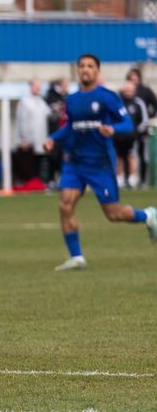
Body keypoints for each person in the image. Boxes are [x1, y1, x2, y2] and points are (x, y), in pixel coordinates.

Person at [42, 54, 157, 272]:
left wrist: (113, 129)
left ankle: (148, 215)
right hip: (75, 163)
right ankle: (77, 257)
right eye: (82, 66)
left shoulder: (107, 97)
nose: (85, 69)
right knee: (65, 205)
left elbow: (127, 124)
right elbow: (71, 127)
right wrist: (53, 139)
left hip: (100, 164)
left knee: (113, 214)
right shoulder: (72, 100)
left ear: (97, 71)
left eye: (90, 66)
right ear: (78, 70)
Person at [14, 79, 52, 184]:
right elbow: (22, 120)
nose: (38, 88)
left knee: (40, 162)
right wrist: (24, 138)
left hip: (41, 138)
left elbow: (48, 114)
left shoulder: (41, 101)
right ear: (31, 87)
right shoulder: (25, 101)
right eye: (36, 86)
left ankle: (39, 183)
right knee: (29, 164)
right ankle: (29, 184)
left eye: (39, 86)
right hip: (29, 140)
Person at [114, 80, 149, 189]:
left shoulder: (138, 103)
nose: (128, 92)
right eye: (126, 90)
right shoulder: (118, 103)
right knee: (119, 157)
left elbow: (144, 120)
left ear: (134, 91)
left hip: (132, 137)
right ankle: (119, 180)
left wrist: (136, 132)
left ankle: (131, 180)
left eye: (130, 90)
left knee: (131, 156)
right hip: (118, 136)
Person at [127, 68, 156, 185]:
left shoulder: (145, 92)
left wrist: (149, 116)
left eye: (135, 77)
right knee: (128, 154)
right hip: (128, 131)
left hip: (141, 130)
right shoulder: (124, 94)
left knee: (142, 155)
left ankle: (143, 180)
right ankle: (128, 179)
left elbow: (154, 105)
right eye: (131, 78)